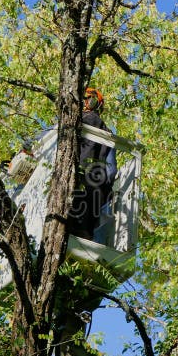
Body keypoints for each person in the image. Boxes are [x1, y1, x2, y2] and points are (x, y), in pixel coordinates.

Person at [68, 87, 117, 241]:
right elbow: (111, 170)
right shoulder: (108, 132)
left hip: (74, 178)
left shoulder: (75, 122)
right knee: (85, 227)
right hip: (94, 186)